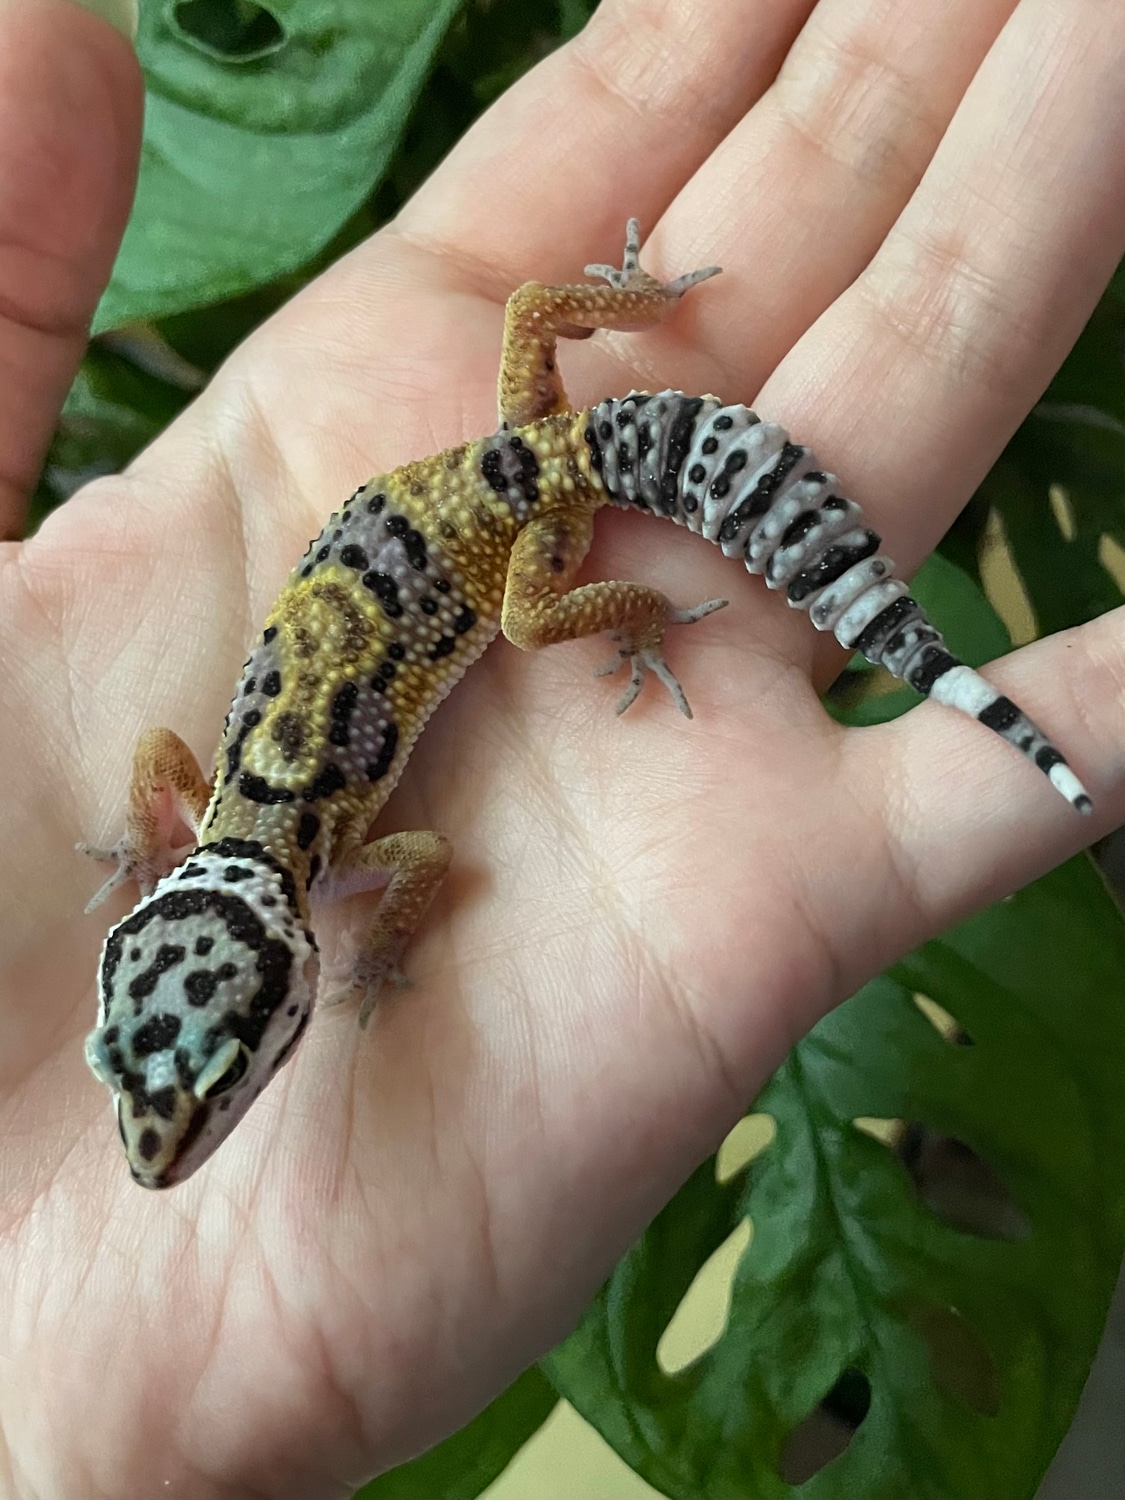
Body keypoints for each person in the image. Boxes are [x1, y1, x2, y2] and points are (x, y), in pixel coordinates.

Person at [0, 0, 1121, 1493]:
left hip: (524, 518)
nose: (181, 1132)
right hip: (472, 470)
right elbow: (163, 756)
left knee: (532, 628)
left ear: (271, 982)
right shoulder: (233, 824)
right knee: (534, 316)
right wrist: (635, 302)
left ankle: (654, 599)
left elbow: (420, 859)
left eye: (200, 1080)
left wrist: (383, 939)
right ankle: (632, 314)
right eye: (204, 1083)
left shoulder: (324, 849)